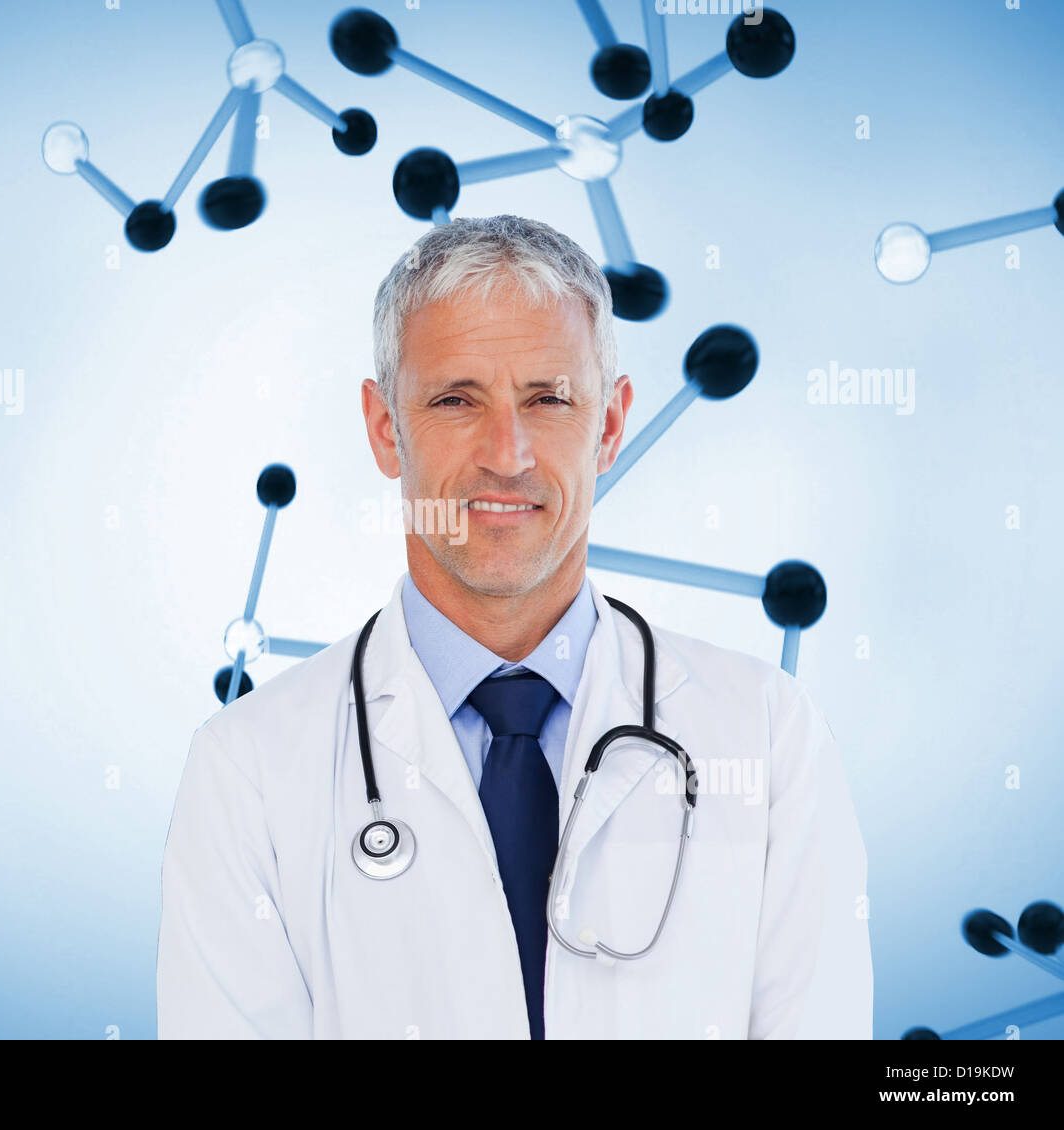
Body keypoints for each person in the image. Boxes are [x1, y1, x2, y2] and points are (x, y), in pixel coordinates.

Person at [157, 214, 872, 1040]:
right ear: (386, 429)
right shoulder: (244, 769)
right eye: (456, 399)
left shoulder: (767, 734)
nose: (509, 453)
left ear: (608, 427)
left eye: (550, 399)